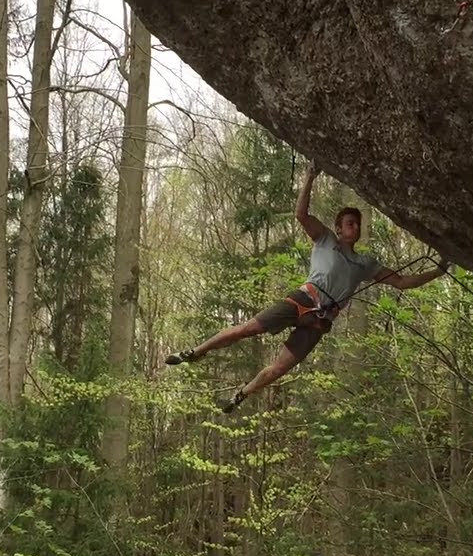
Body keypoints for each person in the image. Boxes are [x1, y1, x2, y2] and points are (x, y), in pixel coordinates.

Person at [165, 162, 450, 413]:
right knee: (246, 329)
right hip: (302, 299)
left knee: (279, 368)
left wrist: (438, 271)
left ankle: (241, 395)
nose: (356, 228)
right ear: (339, 228)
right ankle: (196, 352)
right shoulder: (325, 238)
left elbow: (402, 282)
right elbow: (301, 214)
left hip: (320, 320)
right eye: (350, 223)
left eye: (358, 224)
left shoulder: (365, 263)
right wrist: (310, 176)